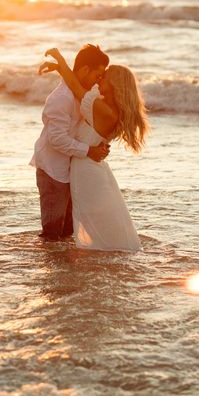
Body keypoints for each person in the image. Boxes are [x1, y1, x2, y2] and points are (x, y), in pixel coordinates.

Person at [39, 47, 149, 252]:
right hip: (84, 165)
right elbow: (74, 86)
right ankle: (70, 259)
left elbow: (75, 86)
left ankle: (82, 254)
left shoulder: (102, 109)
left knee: (87, 217)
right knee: (85, 218)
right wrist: (62, 67)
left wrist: (61, 63)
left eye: (103, 77)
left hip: (86, 168)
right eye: (99, 74)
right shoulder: (106, 106)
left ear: (114, 84)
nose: (99, 80)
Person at [30, 44, 110, 241]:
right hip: (53, 170)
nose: (98, 80)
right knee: (52, 232)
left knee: (67, 231)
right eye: (97, 74)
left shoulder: (83, 94)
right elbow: (57, 139)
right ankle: (50, 269)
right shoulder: (61, 99)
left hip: (70, 169)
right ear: (84, 70)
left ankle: (64, 270)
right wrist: (89, 151)